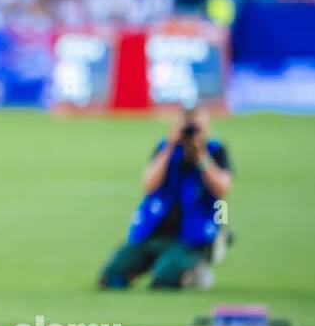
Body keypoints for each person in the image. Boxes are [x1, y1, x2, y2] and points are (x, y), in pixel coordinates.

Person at [98, 104, 232, 290]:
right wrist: (170, 147)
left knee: (164, 281)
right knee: (111, 276)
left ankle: (196, 269)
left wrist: (200, 156)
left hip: (192, 237)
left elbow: (222, 189)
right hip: (155, 231)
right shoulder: (165, 149)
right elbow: (148, 185)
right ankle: (160, 263)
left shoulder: (215, 151)